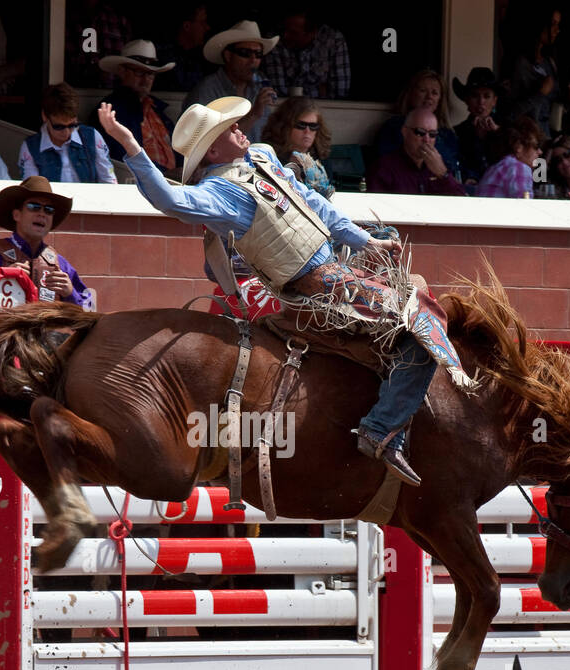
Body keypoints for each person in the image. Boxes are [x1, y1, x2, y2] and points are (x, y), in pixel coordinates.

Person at [98, 96, 469, 486]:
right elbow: (169, 199)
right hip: (319, 287)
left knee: (401, 269)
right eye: (228, 128)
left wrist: (364, 241)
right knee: (422, 327)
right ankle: (382, 428)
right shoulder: (219, 194)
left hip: (336, 271)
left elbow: (313, 204)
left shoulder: (261, 156)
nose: (240, 128)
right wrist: (129, 143)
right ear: (211, 148)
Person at [0, 177, 95, 311]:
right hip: (0, 331)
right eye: (34, 207)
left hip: (48, 331)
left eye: (49, 210)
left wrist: (70, 293)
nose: (42, 214)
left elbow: (90, 310)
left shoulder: (59, 264)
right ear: (17, 215)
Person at [504, 4, 570, 138]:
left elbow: (552, 108)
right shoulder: (519, 64)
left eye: (558, 24)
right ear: (538, 24)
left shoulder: (549, 63)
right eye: (553, 24)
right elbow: (509, 115)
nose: (557, 30)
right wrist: (540, 92)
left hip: (545, 140)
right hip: (523, 142)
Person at [95, 41, 178, 174]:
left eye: (150, 74)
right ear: (122, 71)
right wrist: (166, 174)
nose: (146, 80)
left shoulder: (157, 109)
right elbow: (122, 158)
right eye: (139, 73)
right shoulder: (111, 111)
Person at [184, 20, 279, 138]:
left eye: (258, 54)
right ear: (228, 56)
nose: (253, 60)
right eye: (245, 53)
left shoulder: (258, 89)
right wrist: (253, 115)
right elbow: (207, 144)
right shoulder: (206, 91)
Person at [20, 83, 117, 184]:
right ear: (45, 116)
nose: (66, 132)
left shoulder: (92, 136)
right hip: (49, 199)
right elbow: (31, 190)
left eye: (72, 125)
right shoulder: (31, 146)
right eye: (59, 127)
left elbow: (109, 180)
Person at [373, 69, 461, 180]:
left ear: (440, 100)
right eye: (423, 90)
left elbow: (455, 170)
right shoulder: (395, 127)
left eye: (434, 93)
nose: (429, 97)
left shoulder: (447, 134)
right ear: (411, 94)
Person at [368, 108, 465, 195]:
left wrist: (443, 174)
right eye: (420, 132)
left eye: (432, 134)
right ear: (404, 132)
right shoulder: (384, 168)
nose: (426, 139)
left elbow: (462, 203)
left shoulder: (439, 166)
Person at [263, 8, 351, 100]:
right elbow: (276, 92)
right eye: (285, 29)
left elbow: (340, 92)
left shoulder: (333, 40)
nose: (285, 35)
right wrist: (319, 91)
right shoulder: (274, 40)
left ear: (312, 33)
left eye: (293, 32)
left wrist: (294, 92)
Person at [262, 96, 335, 198]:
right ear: (285, 126)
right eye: (301, 125)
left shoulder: (321, 157)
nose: (307, 131)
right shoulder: (270, 156)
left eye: (313, 126)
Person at [452, 67, 501, 186]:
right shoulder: (455, 133)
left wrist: (499, 134)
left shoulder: (506, 131)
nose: (481, 102)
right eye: (475, 95)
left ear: (494, 101)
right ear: (467, 100)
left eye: (487, 96)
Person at [476, 115, 540, 198]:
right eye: (535, 146)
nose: (539, 151)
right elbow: (525, 207)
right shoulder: (518, 167)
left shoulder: (497, 167)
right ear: (519, 147)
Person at [158, 2, 211, 92]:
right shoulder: (162, 57)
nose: (207, 27)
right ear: (187, 26)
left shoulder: (198, 59)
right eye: (202, 22)